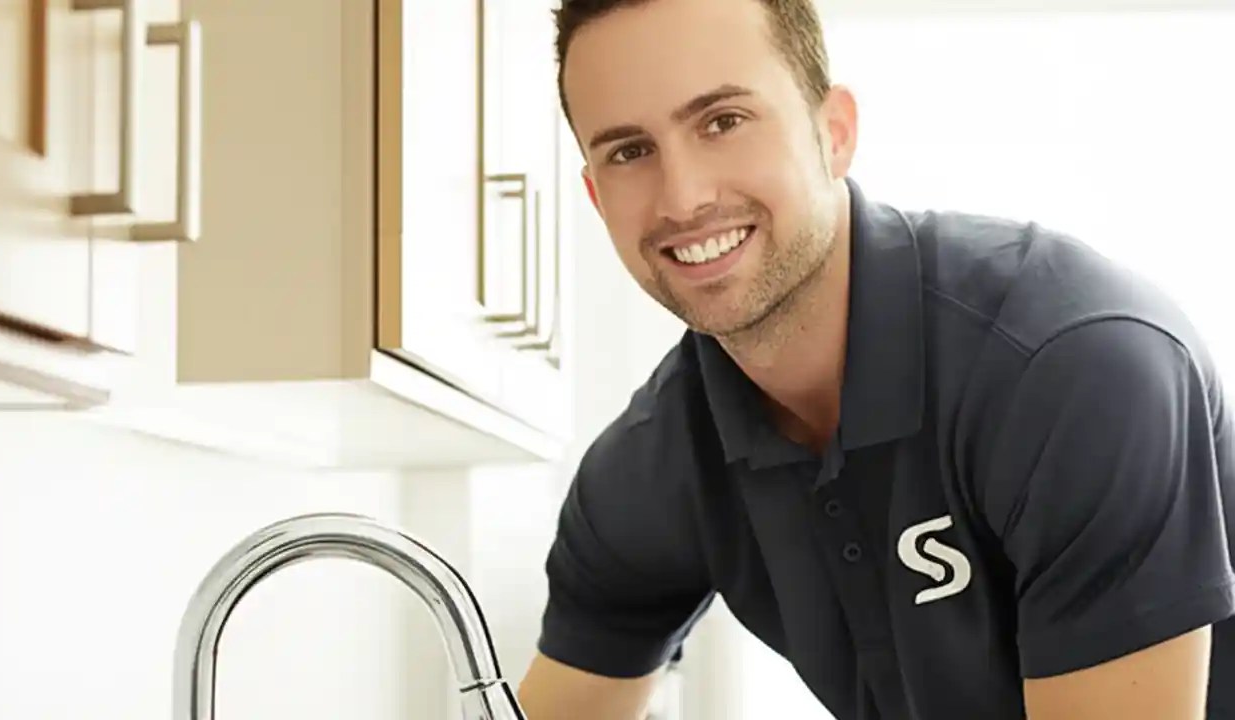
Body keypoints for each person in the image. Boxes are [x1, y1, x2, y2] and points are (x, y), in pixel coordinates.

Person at [514, 0, 1235, 717]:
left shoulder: (1076, 370)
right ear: (596, 197)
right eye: (629, 152)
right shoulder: (648, 469)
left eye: (723, 121)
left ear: (834, 132)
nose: (683, 197)